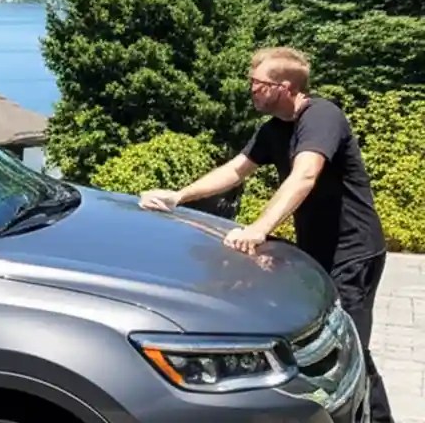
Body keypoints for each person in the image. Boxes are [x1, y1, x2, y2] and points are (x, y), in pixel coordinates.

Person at [138, 46, 393, 422]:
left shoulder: (322, 116)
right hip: (318, 250)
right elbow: (235, 170)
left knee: (350, 349)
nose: (251, 90)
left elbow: (305, 175)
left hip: (354, 250)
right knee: (320, 344)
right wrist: (179, 196)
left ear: (284, 87)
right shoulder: (274, 129)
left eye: (257, 83)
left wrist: (259, 228)